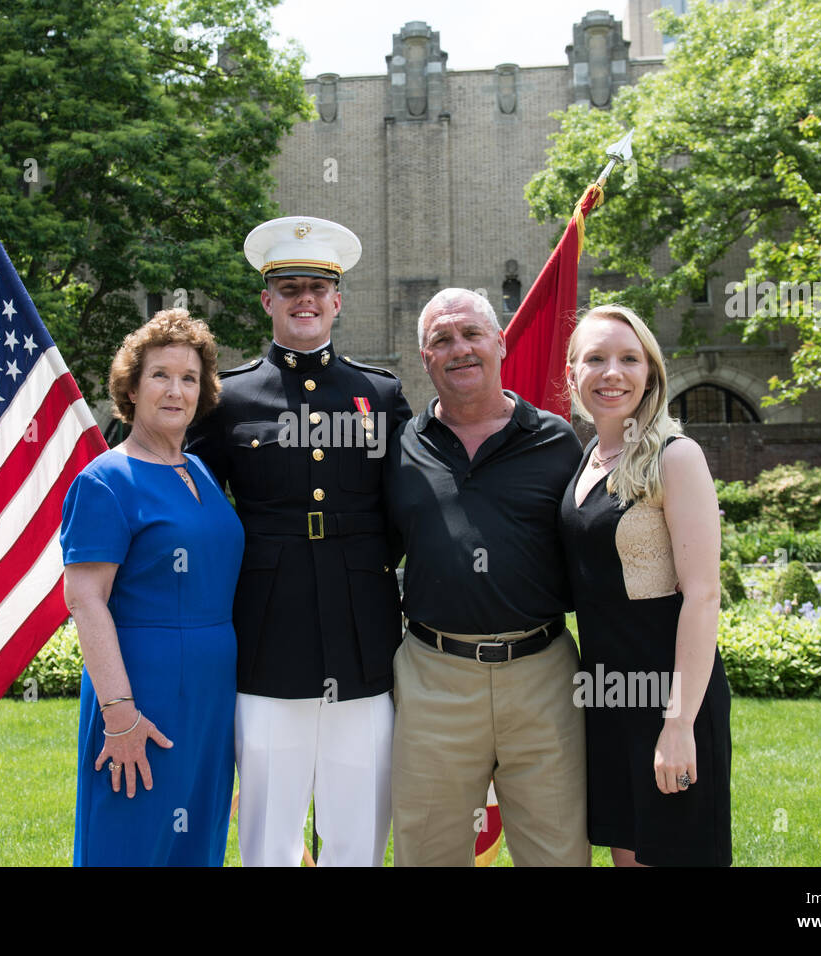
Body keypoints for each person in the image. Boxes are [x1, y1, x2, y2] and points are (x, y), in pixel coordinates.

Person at [186, 216, 412, 866]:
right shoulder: (227, 399)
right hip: (267, 635)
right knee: (268, 832)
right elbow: (179, 487)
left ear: (338, 300)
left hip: (362, 634)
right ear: (268, 300)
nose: (304, 299)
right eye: (290, 288)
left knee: (357, 832)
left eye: (318, 287)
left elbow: (408, 505)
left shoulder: (379, 393)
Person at [384, 288, 588, 866]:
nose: (459, 349)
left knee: (558, 855)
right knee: (427, 855)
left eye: (471, 334)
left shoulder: (556, 441)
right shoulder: (399, 450)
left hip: (542, 675)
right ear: (424, 357)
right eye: (441, 340)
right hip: (433, 680)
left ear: (500, 342)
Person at [60, 309, 243, 866]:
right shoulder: (105, 480)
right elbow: (84, 598)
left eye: (189, 378)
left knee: (195, 846)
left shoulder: (201, 471)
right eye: (160, 375)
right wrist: (120, 714)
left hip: (211, 698)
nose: (175, 390)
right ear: (131, 389)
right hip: (143, 693)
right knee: (132, 841)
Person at [559, 303, 732, 867]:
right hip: (606, 693)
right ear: (572, 374)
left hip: (669, 692)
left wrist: (678, 723)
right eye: (596, 358)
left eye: (630, 358)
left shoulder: (675, 457)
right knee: (629, 855)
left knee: (675, 854)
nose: (613, 372)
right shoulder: (587, 460)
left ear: (651, 373)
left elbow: (703, 595)